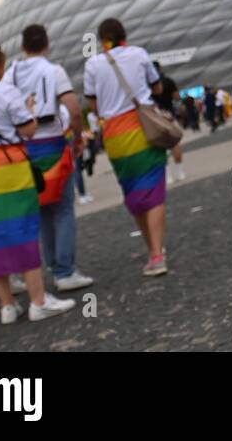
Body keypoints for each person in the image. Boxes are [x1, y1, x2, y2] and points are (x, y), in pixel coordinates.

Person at [0, 45, 76, 323]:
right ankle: (38, 301)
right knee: (23, 232)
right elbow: (28, 130)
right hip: (9, 170)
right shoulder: (6, 92)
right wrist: (30, 110)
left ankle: (7, 306)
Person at [2, 24, 94, 293]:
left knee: (40, 211)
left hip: (23, 148)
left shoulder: (10, 74)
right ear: (47, 44)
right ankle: (65, 272)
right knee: (62, 208)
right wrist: (77, 139)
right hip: (52, 143)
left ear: (22, 46)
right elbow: (74, 109)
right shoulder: (54, 71)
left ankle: (52, 267)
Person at [83, 19, 169, 277]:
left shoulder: (93, 64)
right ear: (124, 35)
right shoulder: (139, 54)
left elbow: (93, 103)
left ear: (101, 40)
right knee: (154, 190)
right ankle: (157, 253)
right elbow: (157, 86)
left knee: (133, 191)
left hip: (115, 135)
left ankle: (151, 250)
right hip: (143, 127)